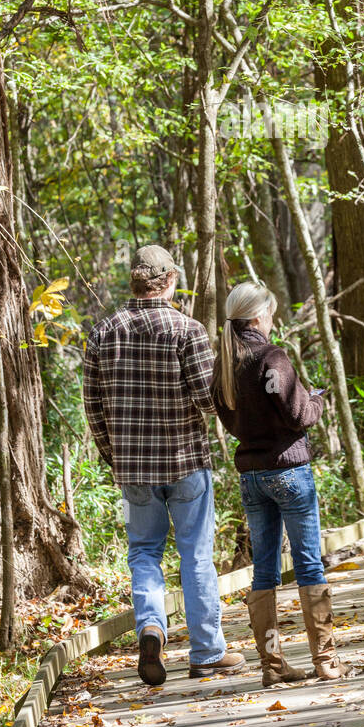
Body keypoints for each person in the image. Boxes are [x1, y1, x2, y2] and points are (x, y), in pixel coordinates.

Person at [83, 244, 246, 686]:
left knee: (144, 553)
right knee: (196, 554)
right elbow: (206, 399)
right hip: (184, 460)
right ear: (170, 279)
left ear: (134, 281)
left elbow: (92, 406)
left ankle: (151, 628)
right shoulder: (186, 330)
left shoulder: (103, 333)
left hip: (133, 467)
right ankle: (207, 652)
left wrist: (114, 455)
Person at [211, 280, 343, 686]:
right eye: (270, 311)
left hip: (251, 475)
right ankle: (327, 661)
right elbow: (299, 415)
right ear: (257, 315)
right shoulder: (272, 356)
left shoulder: (225, 364)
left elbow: (231, 417)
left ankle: (272, 665)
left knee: (263, 570)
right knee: (308, 562)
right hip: (289, 471)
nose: (273, 318)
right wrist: (317, 399)